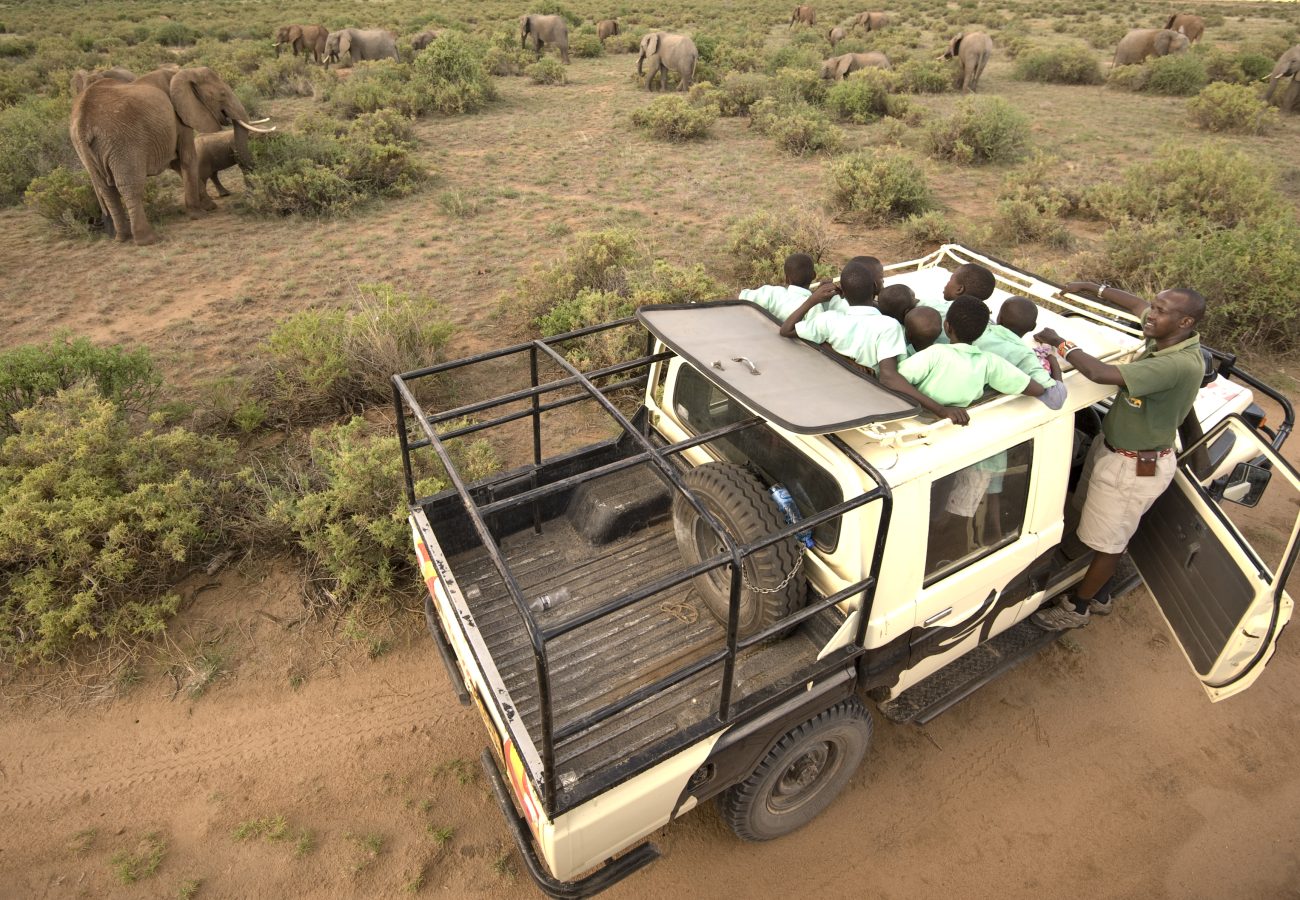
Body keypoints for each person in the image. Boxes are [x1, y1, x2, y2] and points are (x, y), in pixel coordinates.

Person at [1031, 280, 1206, 630]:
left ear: (1185, 322)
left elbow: (1100, 373)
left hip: (1134, 465)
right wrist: (1092, 288)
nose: (1150, 314)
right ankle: (1100, 590)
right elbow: (1136, 304)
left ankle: (1079, 607)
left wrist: (1059, 343)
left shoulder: (1177, 363)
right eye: (1154, 306)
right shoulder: (1166, 335)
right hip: (1117, 451)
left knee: (1109, 543)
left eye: (1160, 311)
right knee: (1099, 524)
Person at [781, 263, 972, 425]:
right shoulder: (889, 326)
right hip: (872, 401)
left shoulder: (828, 320)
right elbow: (888, 377)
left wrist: (812, 299)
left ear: (843, 294)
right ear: (875, 287)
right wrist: (941, 410)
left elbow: (786, 330)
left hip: (833, 393)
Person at [897, 297, 1047, 407]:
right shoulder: (990, 362)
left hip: (923, 414)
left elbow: (896, 378)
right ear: (981, 332)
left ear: (947, 327)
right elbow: (1038, 389)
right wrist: (1051, 360)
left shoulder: (934, 353)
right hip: (962, 418)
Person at [975, 295, 1067, 410]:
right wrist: (1054, 363)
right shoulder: (1025, 357)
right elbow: (1056, 400)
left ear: (999, 318)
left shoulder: (978, 329)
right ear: (1033, 327)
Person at [917, 262, 997, 344]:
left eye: (950, 279)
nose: (947, 283)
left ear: (959, 289)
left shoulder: (931, 309)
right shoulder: (986, 324)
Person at [739, 252, 830, 322]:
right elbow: (817, 331)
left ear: (787, 279)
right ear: (814, 275)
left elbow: (743, 296)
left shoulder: (771, 292)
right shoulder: (814, 307)